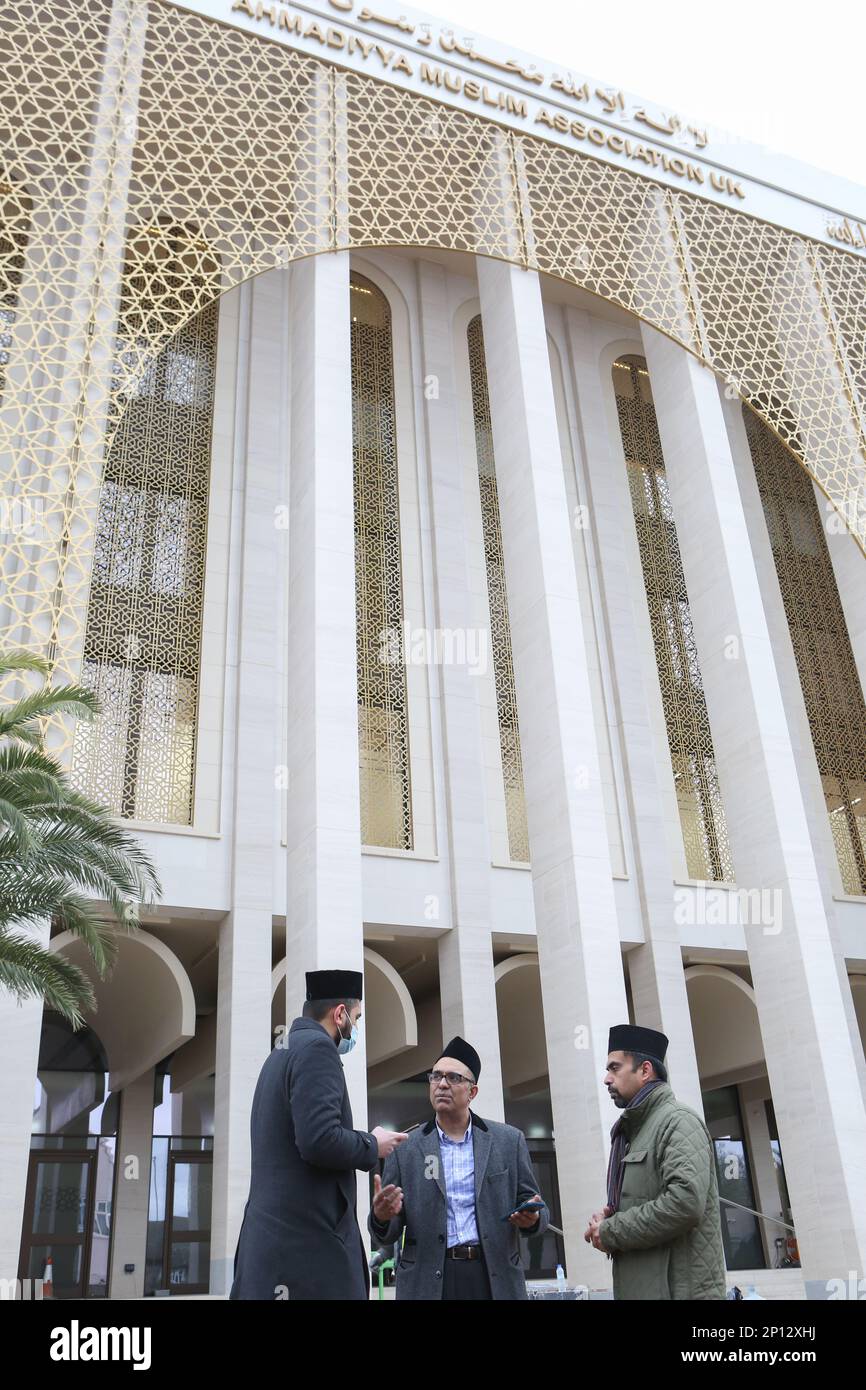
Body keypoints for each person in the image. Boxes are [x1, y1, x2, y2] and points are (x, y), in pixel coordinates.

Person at [230, 968, 407, 1300]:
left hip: (273, 1250)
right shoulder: (317, 1050)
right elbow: (319, 1140)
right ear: (339, 1014)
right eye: (356, 1017)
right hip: (305, 1253)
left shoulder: (282, 1051)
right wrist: (373, 1144)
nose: (356, 1028)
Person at [369, 1036, 549, 1300]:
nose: (442, 1084)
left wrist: (532, 1219)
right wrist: (382, 1216)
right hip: (429, 1282)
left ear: (472, 1092)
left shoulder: (508, 1141)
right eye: (436, 1076)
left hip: (491, 1277)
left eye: (453, 1078)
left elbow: (535, 1208)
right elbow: (389, 1231)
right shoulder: (406, 1148)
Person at [584, 1024, 726, 1301]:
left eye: (614, 1068)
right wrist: (611, 1218)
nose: (606, 1079)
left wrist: (611, 1231)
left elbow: (684, 1203)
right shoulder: (637, 1129)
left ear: (645, 1071)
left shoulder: (678, 1122)